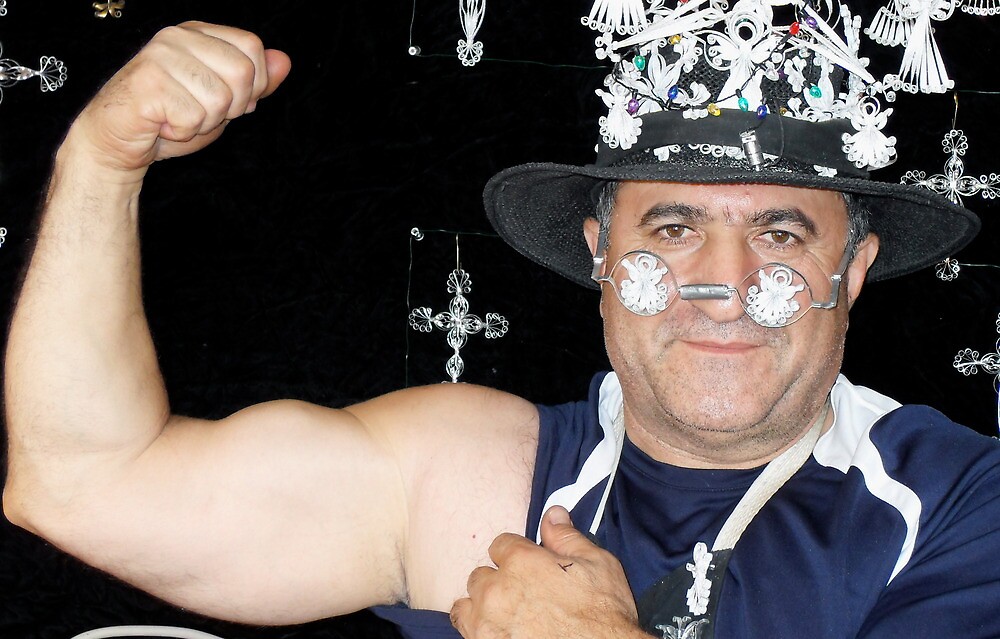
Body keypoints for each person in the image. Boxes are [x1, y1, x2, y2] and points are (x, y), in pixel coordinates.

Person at [4, 3, 1000, 639]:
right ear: (603, 258)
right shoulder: (466, 473)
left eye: (780, 232)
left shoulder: (961, 506)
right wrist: (101, 164)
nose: (720, 283)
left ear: (853, 267)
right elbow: (84, 484)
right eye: (674, 226)